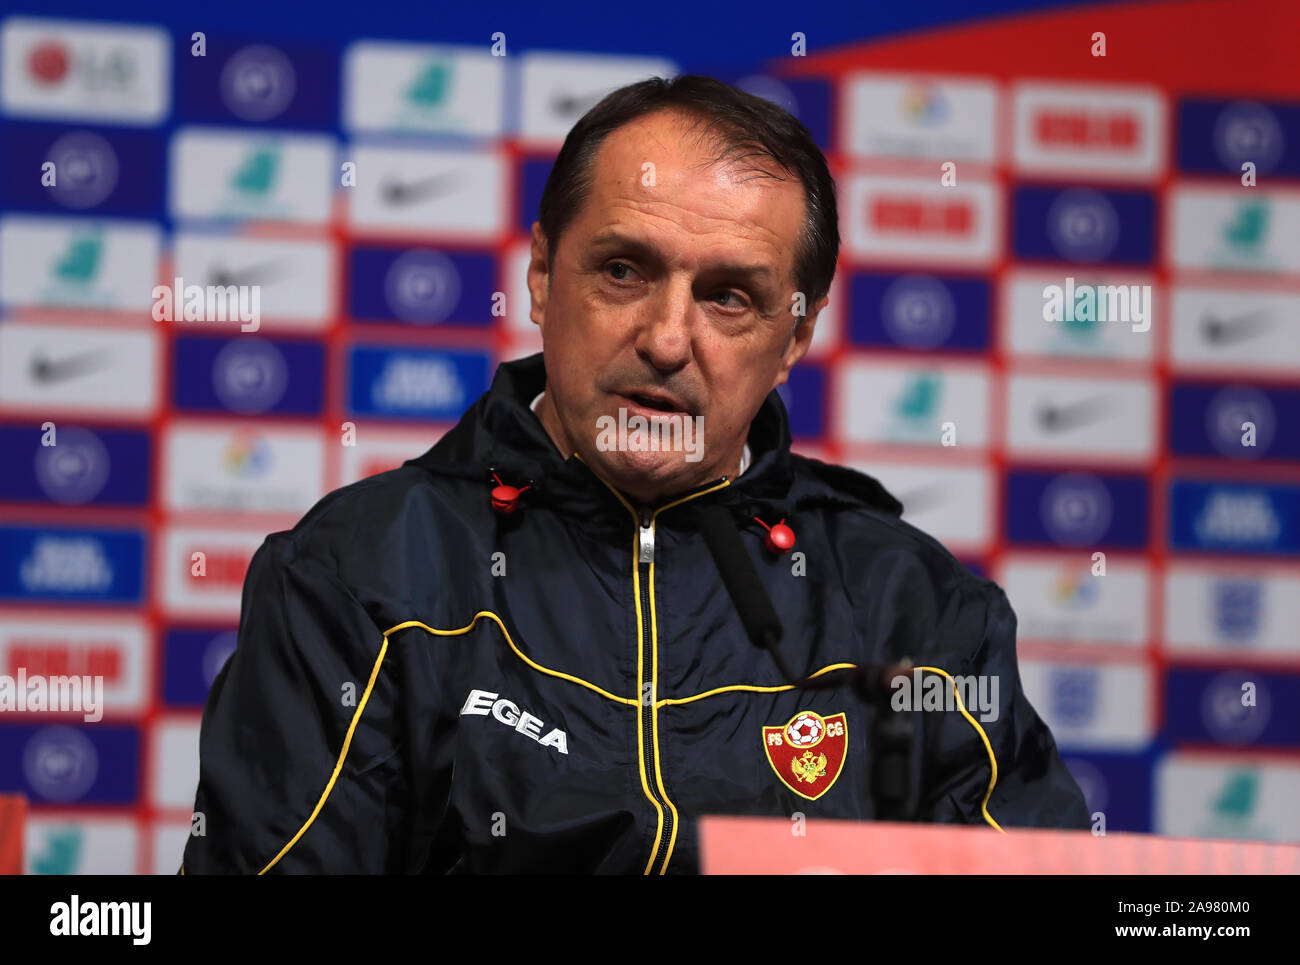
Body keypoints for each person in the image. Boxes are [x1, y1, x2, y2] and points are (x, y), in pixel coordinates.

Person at [182, 74, 1088, 875]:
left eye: (729, 296)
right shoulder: (357, 577)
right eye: (623, 270)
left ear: (795, 338)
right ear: (541, 277)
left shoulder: (918, 614)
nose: (665, 339)